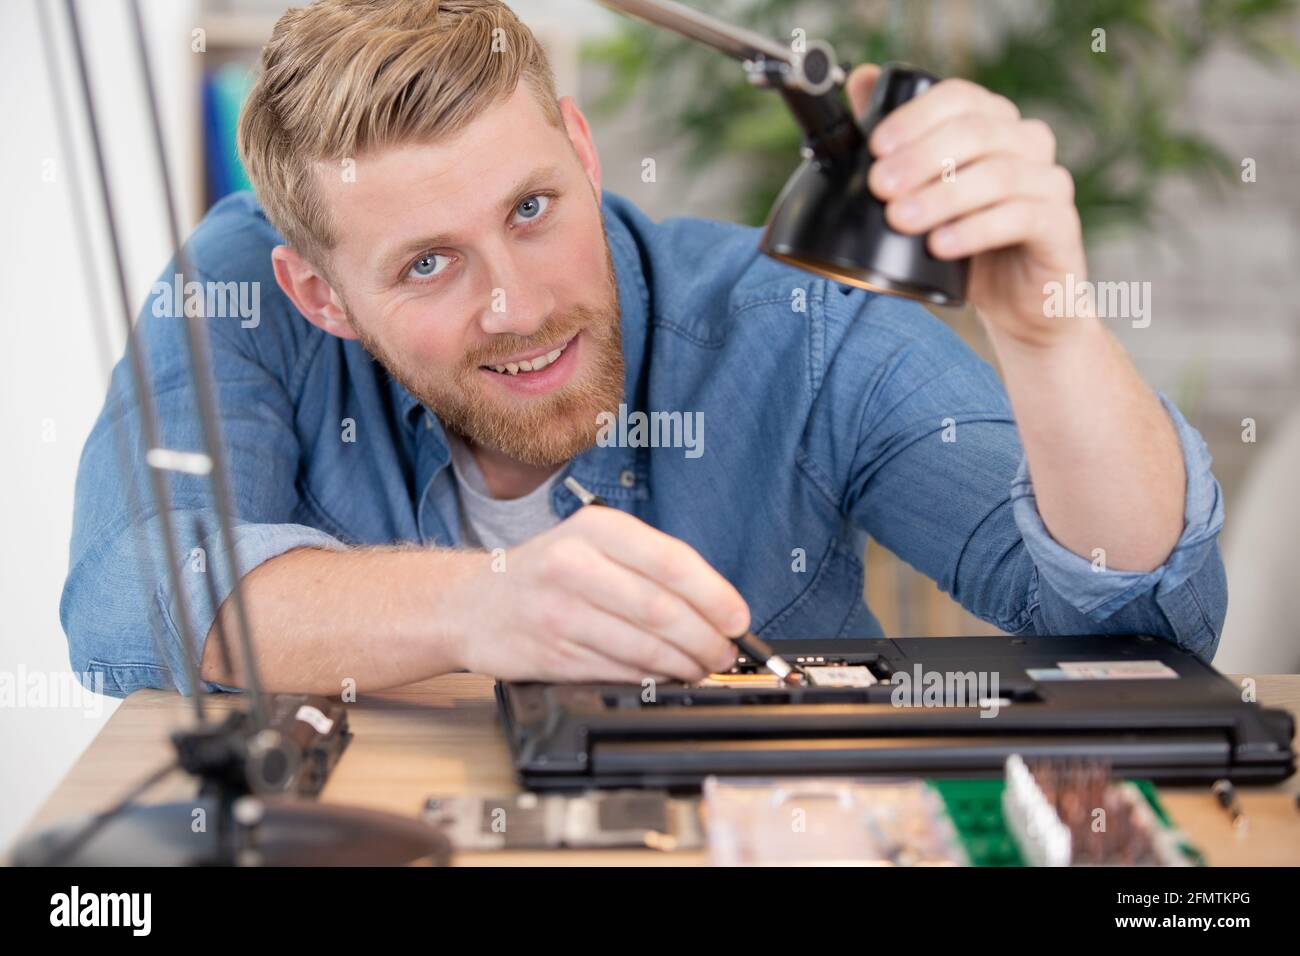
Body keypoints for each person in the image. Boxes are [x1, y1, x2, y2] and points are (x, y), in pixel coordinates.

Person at [62, 0, 1225, 697]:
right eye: (426, 264)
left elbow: (1144, 631)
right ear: (317, 291)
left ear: (580, 146)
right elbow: (128, 599)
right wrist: (482, 608)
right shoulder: (240, 288)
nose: (514, 306)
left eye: (529, 210)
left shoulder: (791, 319)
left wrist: (1049, 330)